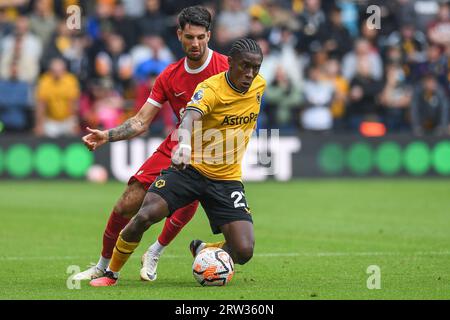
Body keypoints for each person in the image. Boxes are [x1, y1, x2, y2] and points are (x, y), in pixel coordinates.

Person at [90, 38, 266, 287]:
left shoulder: (260, 85)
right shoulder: (210, 89)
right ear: (230, 63)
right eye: (244, 66)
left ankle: (205, 249)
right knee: (144, 215)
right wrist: (183, 145)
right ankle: (111, 274)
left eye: (255, 68)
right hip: (190, 169)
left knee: (244, 251)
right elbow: (190, 117)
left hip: (227, 179)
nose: (250, 74)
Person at [73, 6, 229, 282]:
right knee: (127, 201)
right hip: (176, 143)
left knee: (185, 204)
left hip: (212, 150)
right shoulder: (170, 75)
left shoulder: (226, 68)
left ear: (209, 35)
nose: (196, 43)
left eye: (201, 37)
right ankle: (102, 265)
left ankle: (155, 252)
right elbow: (141, 121)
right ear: (179, 34)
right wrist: (106, 135)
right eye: (190, 37)